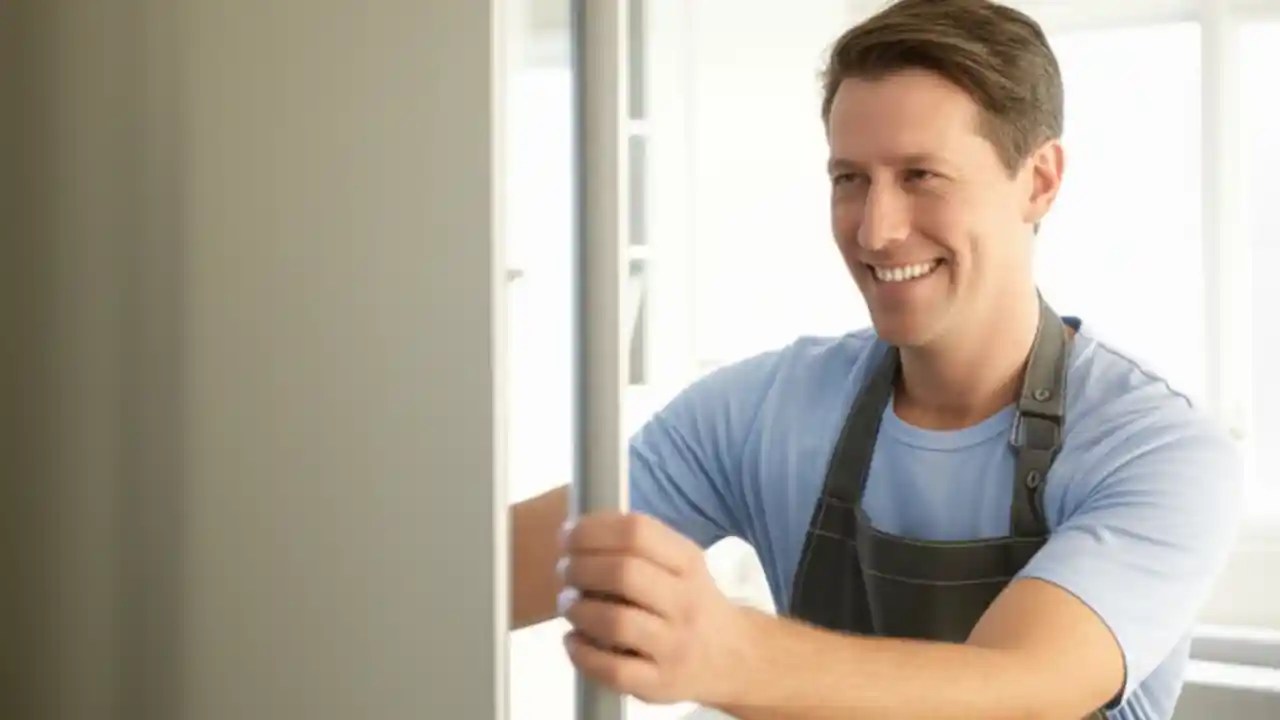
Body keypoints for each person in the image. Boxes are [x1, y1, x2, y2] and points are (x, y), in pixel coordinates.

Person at [510, 1, 1243, 718]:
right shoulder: (759, 415)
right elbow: (491, 571)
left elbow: (1020, 690)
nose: (875, 230)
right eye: (849, 179)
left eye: (921, 175)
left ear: (1039, 180)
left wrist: (734, 655)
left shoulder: (1158, 451)